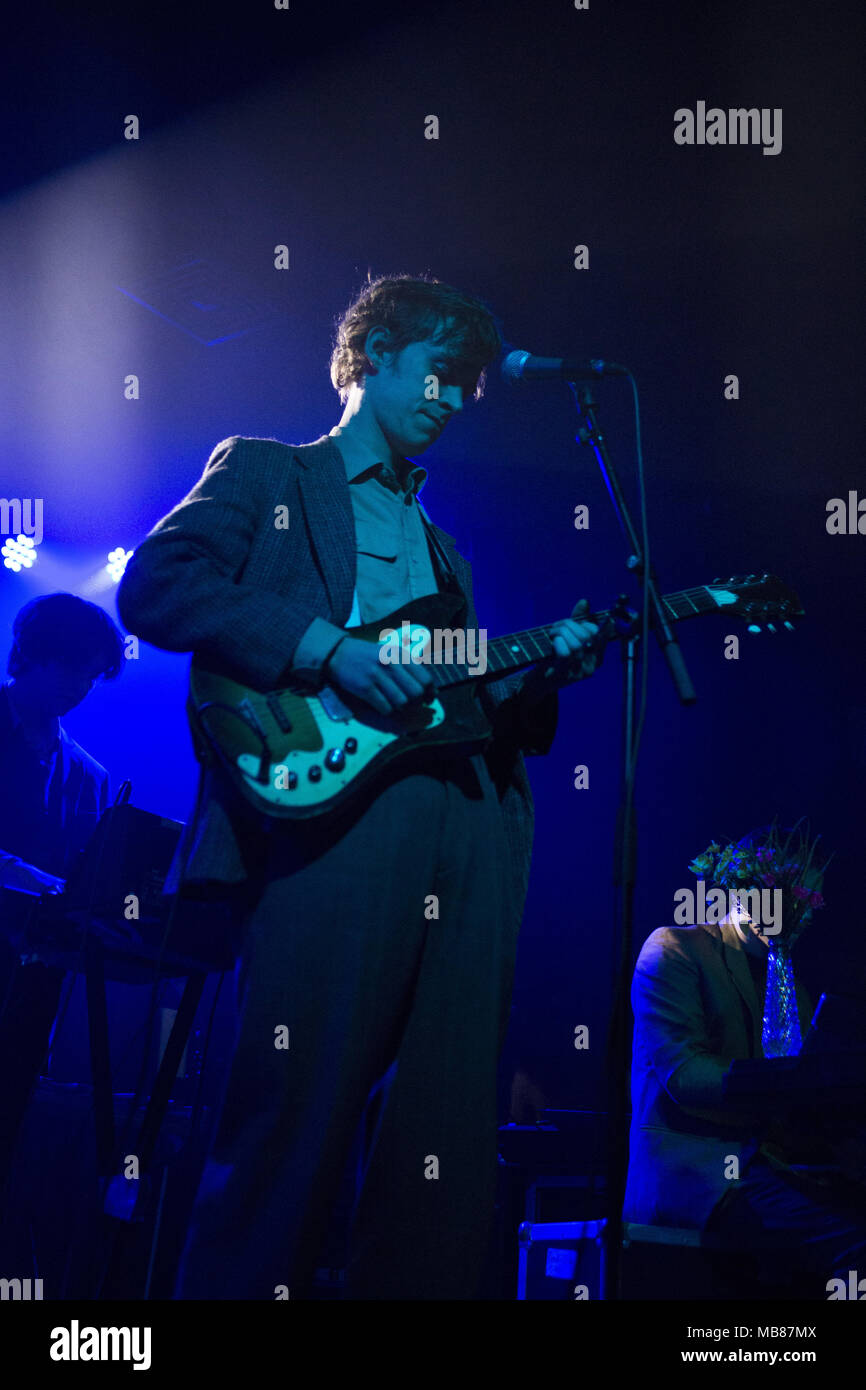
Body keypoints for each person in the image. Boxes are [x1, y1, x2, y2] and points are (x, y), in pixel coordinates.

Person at [117, 272, 603, 1299]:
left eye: (469, 381)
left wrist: (534, 678)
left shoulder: (445, 550)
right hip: (327, 829)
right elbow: (156, 586)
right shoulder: (265, 473)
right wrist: (324, 647)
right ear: (372, 351)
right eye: (440, 365)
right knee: (289, 1109)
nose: (456, 393)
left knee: (443, 1124)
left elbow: (452, 709)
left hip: (468, 827)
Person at [626, 826, 866, 1297]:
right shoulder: (673, 947)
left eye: (794, 904)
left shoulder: (789, 988)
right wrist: (786, 1085)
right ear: (733, 892)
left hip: (762, 1169)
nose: (777, 914)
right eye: (763, 899)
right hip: (697, 1174)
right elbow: (684, 1076)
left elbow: (794, 1105)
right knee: (855, 1247)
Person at [0, 592, 124, 1193]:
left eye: (92, 674)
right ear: (32, 653)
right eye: (71, 665)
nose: (81, 685)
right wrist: (35, 880)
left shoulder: (92, 776)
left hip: (31, 982)